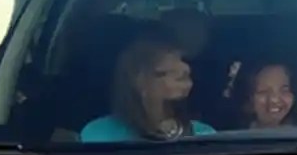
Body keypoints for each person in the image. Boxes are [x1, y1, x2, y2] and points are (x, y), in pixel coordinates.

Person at [80, 32, 217, 142]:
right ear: (137, 80)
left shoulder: (205, 135)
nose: (182, 71)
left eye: (184, 71)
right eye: (161, 73)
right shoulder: (99, 135)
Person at [233, 60, 297, 128]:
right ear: (249, 98)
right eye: (264, 91)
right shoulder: (234, 133)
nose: (275, 100)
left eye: (284, 90)